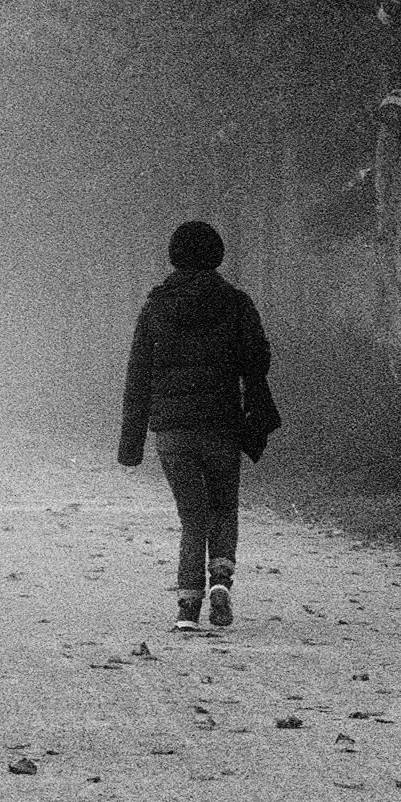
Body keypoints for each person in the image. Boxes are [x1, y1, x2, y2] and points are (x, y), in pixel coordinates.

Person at [116, 220, 283, 631]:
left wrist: (131, 443)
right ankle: (221, 582)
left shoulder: (155, 306)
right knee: (223, 506)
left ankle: (188, 607)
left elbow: (138, 374)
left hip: (173, 431)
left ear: (174, 256)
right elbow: (257, 361)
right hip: (222, 424)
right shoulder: (236, 302)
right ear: (217, 255)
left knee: (192, 516)